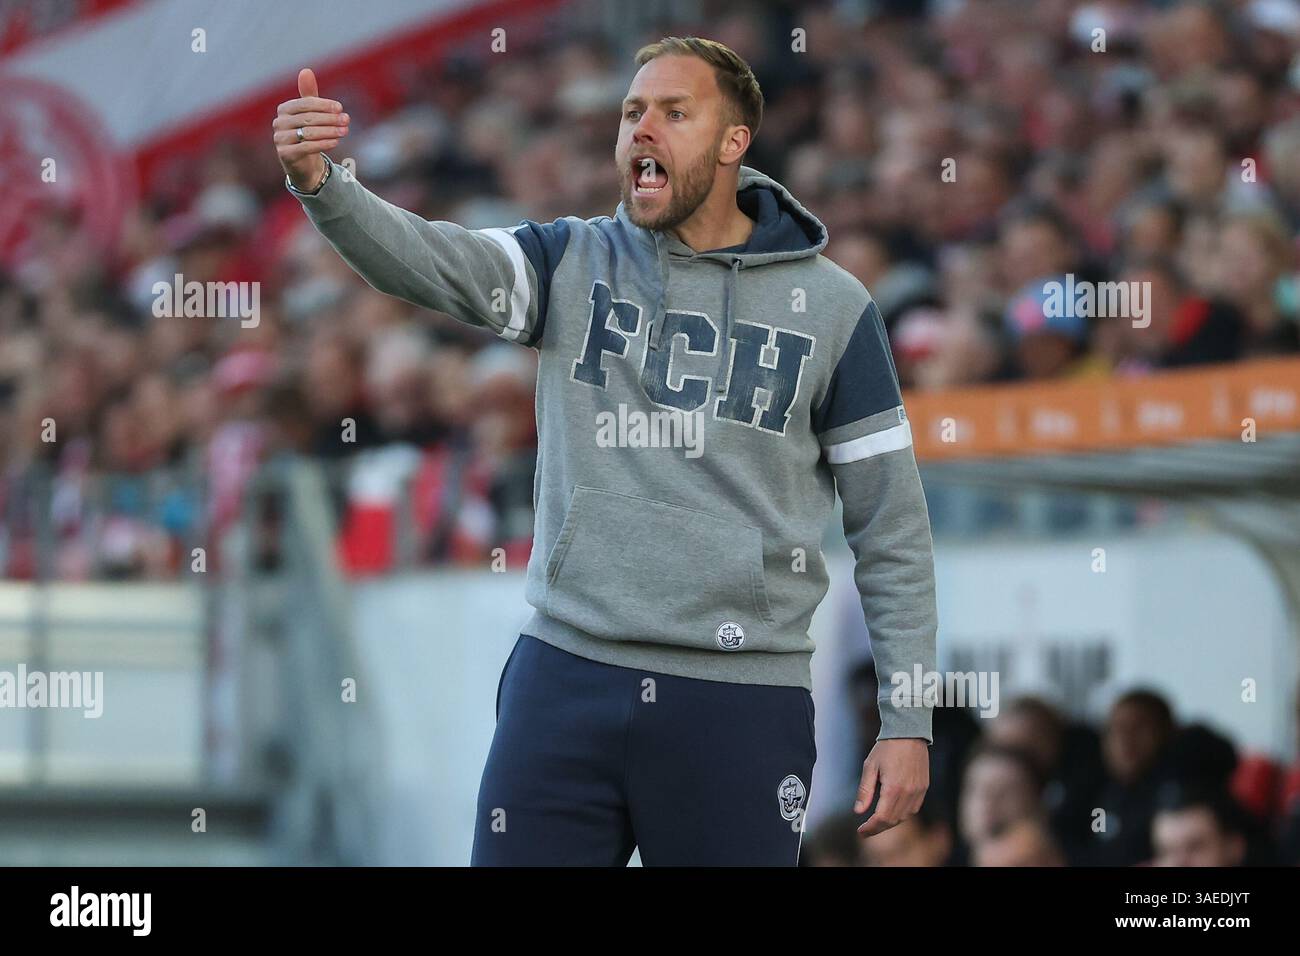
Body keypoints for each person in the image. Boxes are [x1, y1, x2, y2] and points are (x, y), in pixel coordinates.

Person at [274, 36, 937, 866]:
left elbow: (894, 531)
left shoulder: (837, 310)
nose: (641, 131)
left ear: (735, 142)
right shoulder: (570, 260)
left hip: (738, 701)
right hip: (565, 674)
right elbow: (430, 261)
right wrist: (323, 186)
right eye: (631, 113)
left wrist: (907, 720)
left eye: (673, 112)